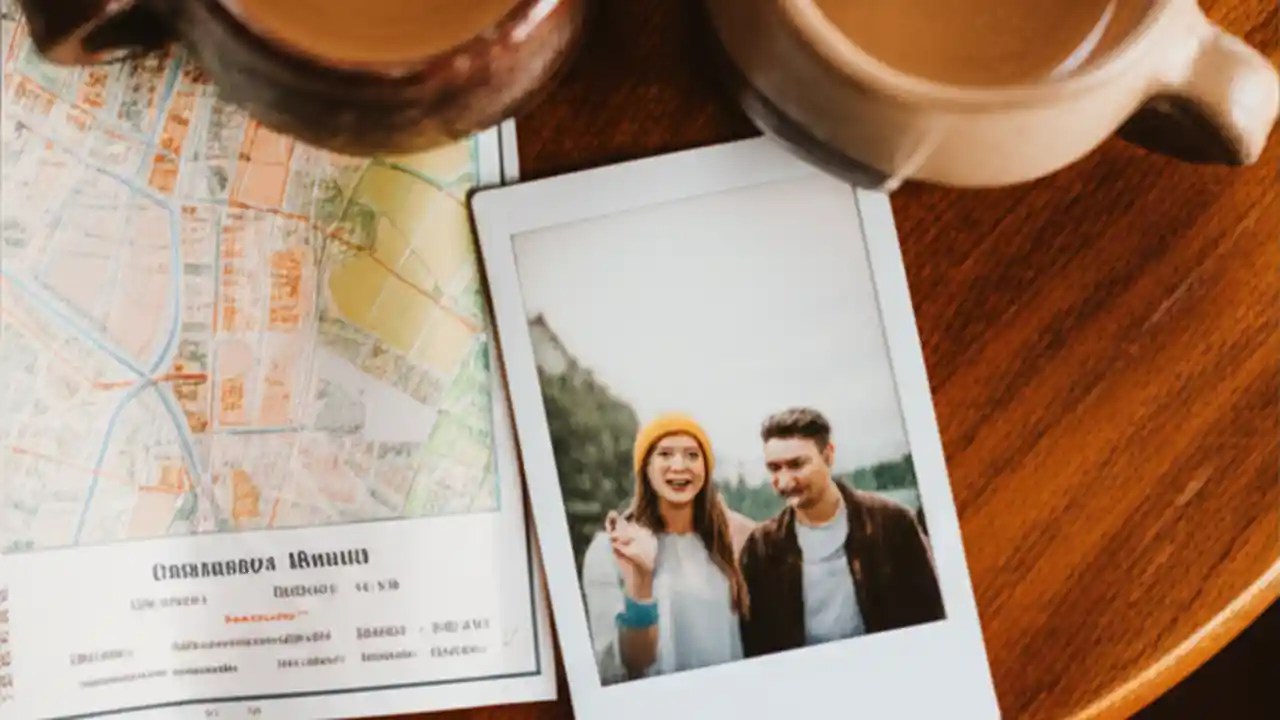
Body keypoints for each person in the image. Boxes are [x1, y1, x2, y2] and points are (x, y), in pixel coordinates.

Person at [739, 407, 944, 657]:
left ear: (828, 456)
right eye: (774, 468)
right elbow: (756, 642)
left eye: (796, 465)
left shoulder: (891, 524)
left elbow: (931, 614)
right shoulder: (761, 546)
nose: (784, 480)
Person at [581, 413, 752, 683]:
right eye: (665, 454)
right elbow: (620, 667)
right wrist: (641, 579)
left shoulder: (725, 546)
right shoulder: (610, 550)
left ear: (705, 470)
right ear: (645, 468)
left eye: (692, 455)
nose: (679, 465)